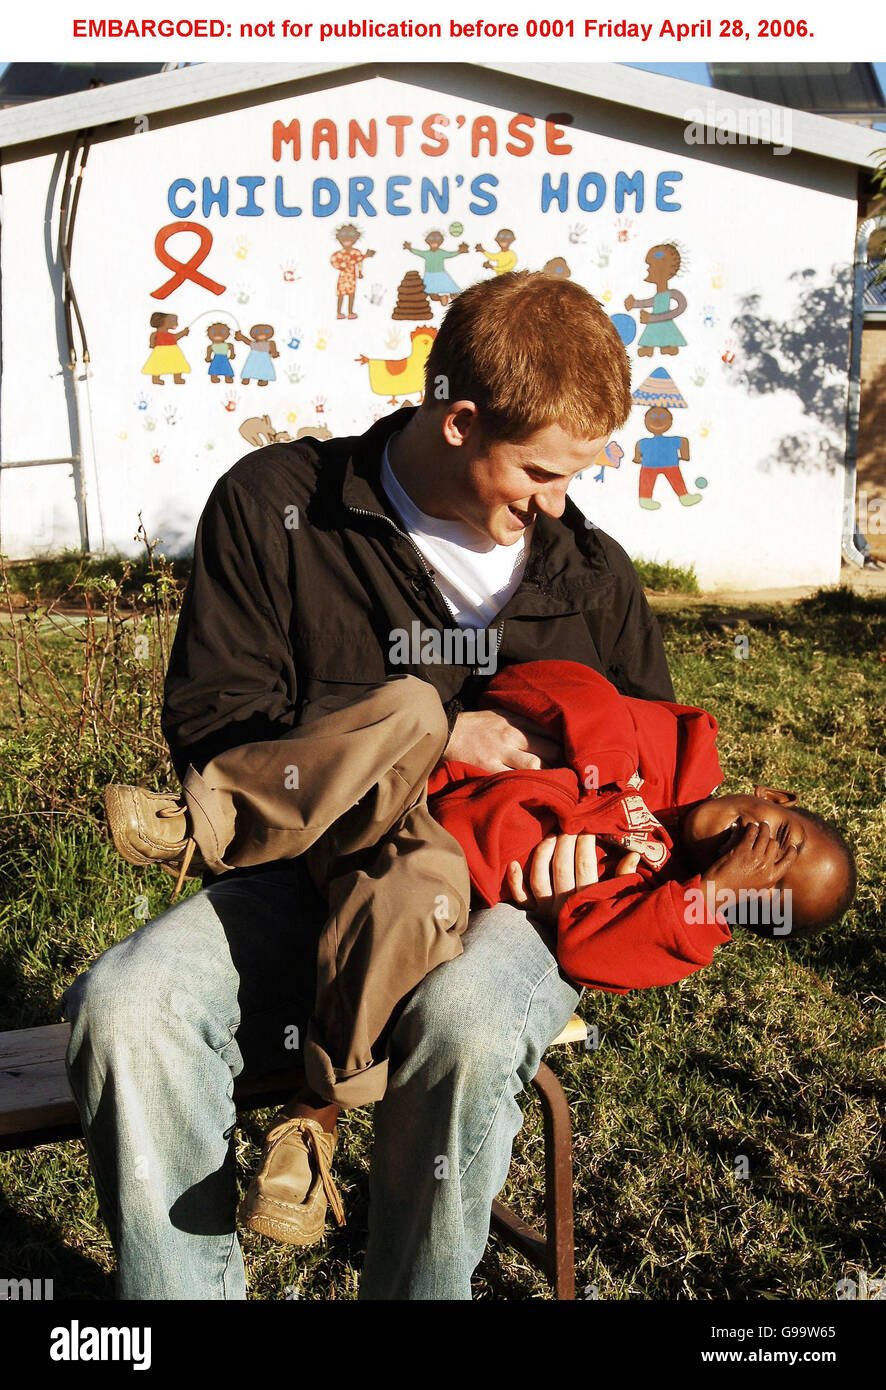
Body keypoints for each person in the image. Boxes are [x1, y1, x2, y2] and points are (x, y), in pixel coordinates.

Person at [64, 269, 675, 1301]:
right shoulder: (278, 507)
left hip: (504, 902)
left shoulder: (591, 576)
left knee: (468, 1024)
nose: (555, 504)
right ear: (458, 419)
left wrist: (593, 849)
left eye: (576, 476)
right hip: (307, 874)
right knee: (127, 1006)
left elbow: (645, 773)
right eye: (534, 471)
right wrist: (425, 744)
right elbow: (217, 723)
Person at [113, 661, 853, 1246]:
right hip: (386, 789)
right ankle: (205, 819)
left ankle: (318, 1116)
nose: (762, 852)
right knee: (410, 705)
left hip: (426, 863)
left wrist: (706, 895)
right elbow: (553, 683)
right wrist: (606, 770)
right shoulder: (671, 752)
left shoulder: (659, 906)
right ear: (776, 793)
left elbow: (592, 946)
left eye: (766, 887)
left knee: (414, 904)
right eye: (784, 836)